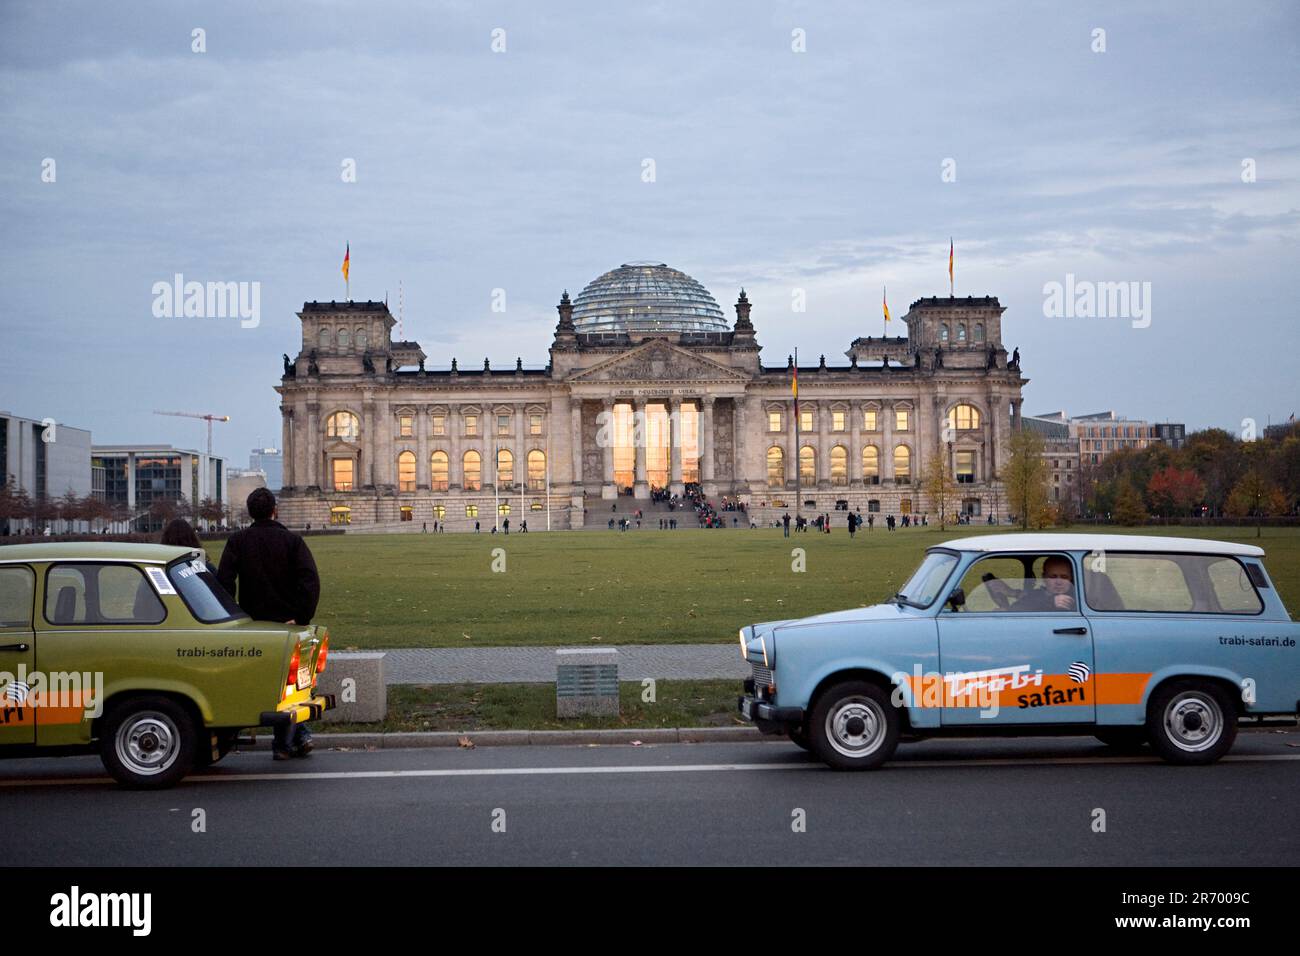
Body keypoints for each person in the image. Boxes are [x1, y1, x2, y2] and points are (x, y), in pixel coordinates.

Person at [217, 489, 321, 761]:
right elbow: (310, 583)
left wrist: (234, 616)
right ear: (275, 510)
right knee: (291, 685)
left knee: (266, 683)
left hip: (252, 624)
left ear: (251, 512)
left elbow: (224, 584)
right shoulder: (292, 541)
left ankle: (294, 739)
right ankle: (286, 743)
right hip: (287, 626)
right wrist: (301, 618)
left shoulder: (237, 541)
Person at [987, 556, 1077, 613]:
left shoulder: (1078, 596)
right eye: (1053, 577)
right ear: (1044, 578)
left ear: (1071, 578)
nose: (1059, 582)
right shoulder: (1036, 594)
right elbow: (1020, 606)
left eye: (1064, 577)